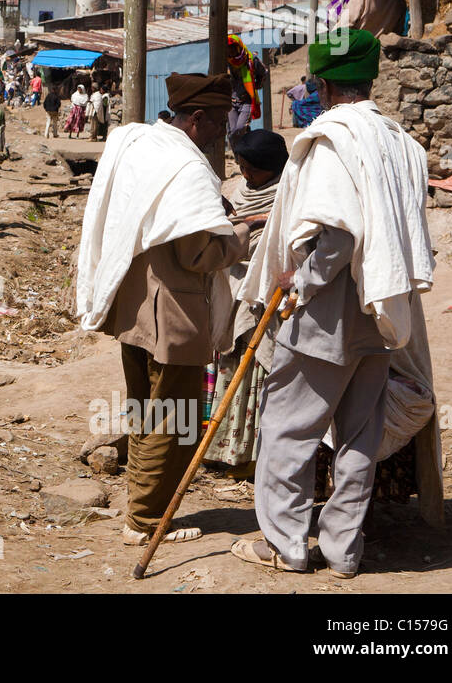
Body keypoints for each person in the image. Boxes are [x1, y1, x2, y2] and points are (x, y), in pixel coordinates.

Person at [234, 29, 438, 578]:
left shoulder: (333, 139)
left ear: (322, 86)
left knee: (288, 428)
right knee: (359, 435)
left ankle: (286, 546)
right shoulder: (398, 140)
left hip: (329, 313)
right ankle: (345, 551)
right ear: (369, 79)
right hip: (381, 310)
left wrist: (300, 280)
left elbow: (340, 236)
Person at [75, 72, 263, 546]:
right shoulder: (187, 167)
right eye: (218, 120)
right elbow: (197, 254)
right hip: (173, 313)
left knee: (146, 412)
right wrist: (244, 232)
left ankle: (139, 509)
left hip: (135, 307)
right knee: (173, 418)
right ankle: (146, 521)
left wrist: (213, 215)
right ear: (196, 118)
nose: (224, 130)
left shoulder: (144, 145)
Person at [203, 129, 290, 470]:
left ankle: (246, 458)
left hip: (260, 299)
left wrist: (245, 227)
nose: (246, 174)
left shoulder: (287, 195)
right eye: (241, 166)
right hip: (227, 292)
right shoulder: (238, 191)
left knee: (252, 367)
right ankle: (214, 449)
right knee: (224, 363)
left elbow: (281, 236)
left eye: (253, 168)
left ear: (274, 166)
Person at [226, 34, 266, 138]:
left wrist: (257, 85)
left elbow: (263, 72)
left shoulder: (251, 60)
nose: (231, 51)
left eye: (233, 48)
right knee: (232, 132)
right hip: (231, 102)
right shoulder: (225, 62)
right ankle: (238, 149)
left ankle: (246, 140)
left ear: (239, 47)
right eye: (228, 49)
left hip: (246, 101)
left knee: (240, 128)